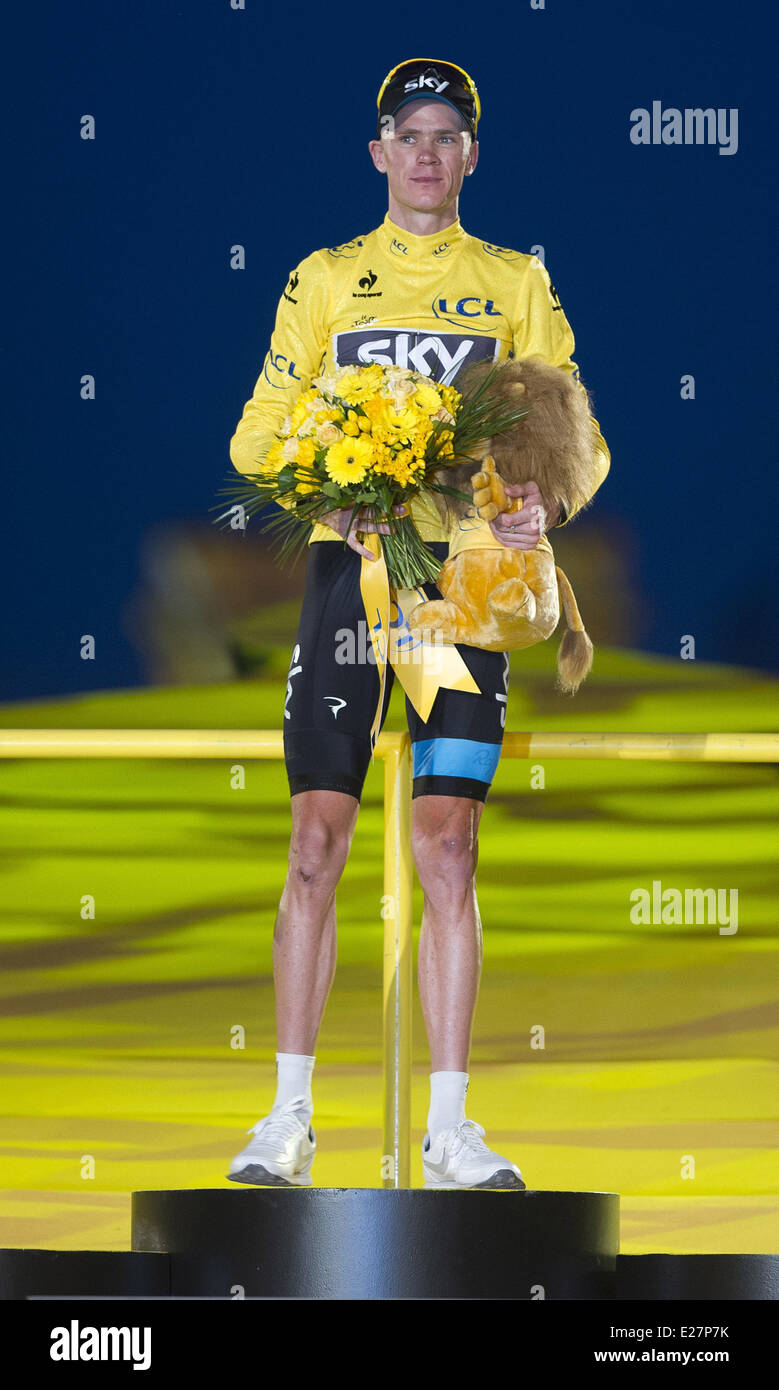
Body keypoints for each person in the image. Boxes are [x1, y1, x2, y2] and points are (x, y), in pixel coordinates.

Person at [226, 58, 610, 1189]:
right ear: (377, 153)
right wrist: (322, 480)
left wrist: (543, 493)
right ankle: (286, 1121)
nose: (429, 153)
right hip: (351, 585)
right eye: (410, 134)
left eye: (449, 136)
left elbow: (572, 431)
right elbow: (253, 439)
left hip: (466, 590)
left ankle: (450, 1132)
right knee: (314, 842)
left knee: (448, 847)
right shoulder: (324, 279)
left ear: (471, 156)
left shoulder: (512, 283)